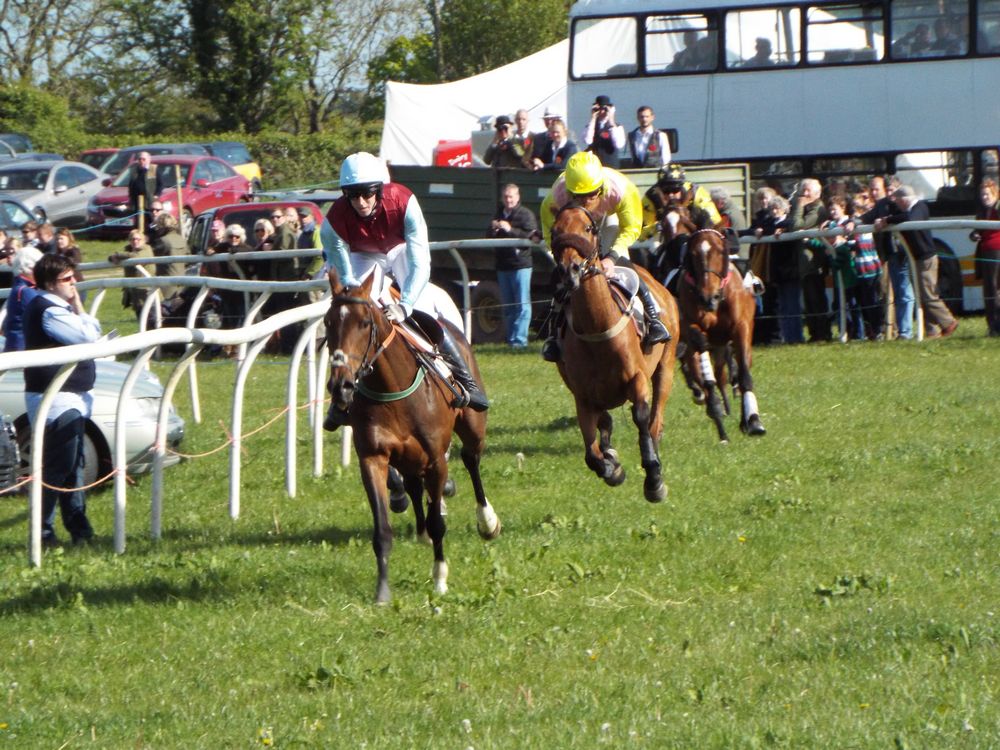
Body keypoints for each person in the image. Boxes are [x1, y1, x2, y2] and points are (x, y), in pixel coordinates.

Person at [320, 151, 489, 425]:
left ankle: (463, 379)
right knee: (352, 315)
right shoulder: (333, 223)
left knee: (421, 311)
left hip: (400, 250)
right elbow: (348, 279)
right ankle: (340, 400)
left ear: (380, 189)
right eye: (352, 195)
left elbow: (421, 263)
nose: (360, 202)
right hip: (363, 255)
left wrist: (406, 303)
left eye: (367, 193)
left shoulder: (404, 201)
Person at [538, 151, 671, 362]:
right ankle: (554, 334)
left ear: (601, 186)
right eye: (579, 196)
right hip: (576, 224)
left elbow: (631, 228)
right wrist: (563, 258)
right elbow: (550, 233)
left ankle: (654, 319)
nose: (587, 200)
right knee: (563, 276)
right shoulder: (555, 198)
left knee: (624, 267)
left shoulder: (621, 189)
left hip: (609, 219)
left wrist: (611, 257)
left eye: (592, 193)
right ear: (569, 191)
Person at [23, 253, 100, 547]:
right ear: (48, 284)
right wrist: (79, 310)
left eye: (73, 277)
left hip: (69, 397)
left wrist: (77, 305)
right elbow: (87, 335)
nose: (74, 283)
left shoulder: (59, 306)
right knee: (60, 467)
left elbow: (90, 331)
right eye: (67, 279)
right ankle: (43, 531)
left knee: (73, 467)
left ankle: (79, 530)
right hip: (55, 400)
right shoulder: (49, 310)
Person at [878, 185, 958, 338]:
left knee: (928, 294)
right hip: (917, 257)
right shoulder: (907, 210)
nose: (897, 205)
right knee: (921, 295)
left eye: (899, 201)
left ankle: (948, 321)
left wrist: (887, 220)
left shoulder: (920, 207)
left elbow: (910, 219)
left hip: (926, 257)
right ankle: (932, 330)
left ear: (904, 200)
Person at [847, 176, 912, 338]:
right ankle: (889, 330)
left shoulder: (899, 204)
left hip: (899, 254)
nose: (874, 192)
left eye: (877, 189)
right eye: (872, 189)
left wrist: (886, 220)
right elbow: (866, 218)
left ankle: (900, 330)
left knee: (899, 293)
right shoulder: (881, 205)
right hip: (884, 256)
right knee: (885, 295)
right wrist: (852, 222)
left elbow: (908, 216)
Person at [487, 183, 537, 349]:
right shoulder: (499, 214)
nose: (508, 200)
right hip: (503, 265)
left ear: (518, 197)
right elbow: (488, 236)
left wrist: (510, 229)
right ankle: (511, 340)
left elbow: (531, 236)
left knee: (522, 305)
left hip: (521, 265)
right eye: (506, 197)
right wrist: (493, 229)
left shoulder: (526, 215)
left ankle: (519, 341)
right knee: (508, 306)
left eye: (511, 196)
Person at [787, 178, 830, 343]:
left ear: (817, 194)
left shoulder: (817, 209)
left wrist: (798, 207)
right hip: (804, 262)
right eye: (802, 191)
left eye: (808, 191)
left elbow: (797, 225)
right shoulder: (805, 208)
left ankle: (821, 333)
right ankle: (814, 333)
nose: (804, 195)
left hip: (814, 262)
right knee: (809, 300)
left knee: (816, 298)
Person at [971, 178, 1000, 336]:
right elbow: (975, 230)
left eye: (987, 194)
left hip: (997, 251)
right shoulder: (982, 212)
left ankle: (997, 325)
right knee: (989, 290)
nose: (984, 198)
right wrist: (975, 234)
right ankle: (992, 326)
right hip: (985, 252)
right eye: (982, 195)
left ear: (994, 193)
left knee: (995, 289)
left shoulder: (998, 207)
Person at [2, 246, 43, 352]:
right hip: (22, 351)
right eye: (39, 268)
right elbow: (44, 313)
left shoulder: (20, 287)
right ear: (29, 268)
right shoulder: (25, 291)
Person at [108, 229, 154, 321]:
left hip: (147, 293)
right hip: (136, 294)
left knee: (150, 322)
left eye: (138, 239)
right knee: (141, 320)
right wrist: (112, 257)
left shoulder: (146, 249)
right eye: (132, 239)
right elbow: (111, 257)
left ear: (143, 240)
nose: (135, 241)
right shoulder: (128, 251)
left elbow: (137, 258)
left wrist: (118, 255)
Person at [149, 211, 187, 314]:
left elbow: (149, 255)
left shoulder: (162, 241)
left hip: (166, 289)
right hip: (182, 286)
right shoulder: (182, 240)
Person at [583, 95, 626, 167]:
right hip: (594, 167)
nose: (602, 111)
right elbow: (588, 141)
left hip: (611, 166)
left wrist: (611, 119)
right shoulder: (590, 126)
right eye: (599, 109)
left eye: (605, 109)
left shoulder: (617, 127)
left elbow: (619, 144)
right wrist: (593, 118)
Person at [128, 151, 162, 231]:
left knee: (151, 221)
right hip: (137, 201)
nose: (141, 161)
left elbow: (160, 184)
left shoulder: (154, 169)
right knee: (139, 222)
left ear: (149, 160)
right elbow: (131, 186)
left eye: (144, 159)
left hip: (150, 201)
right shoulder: (134, 171)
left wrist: (156, 195)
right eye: (140, 159)